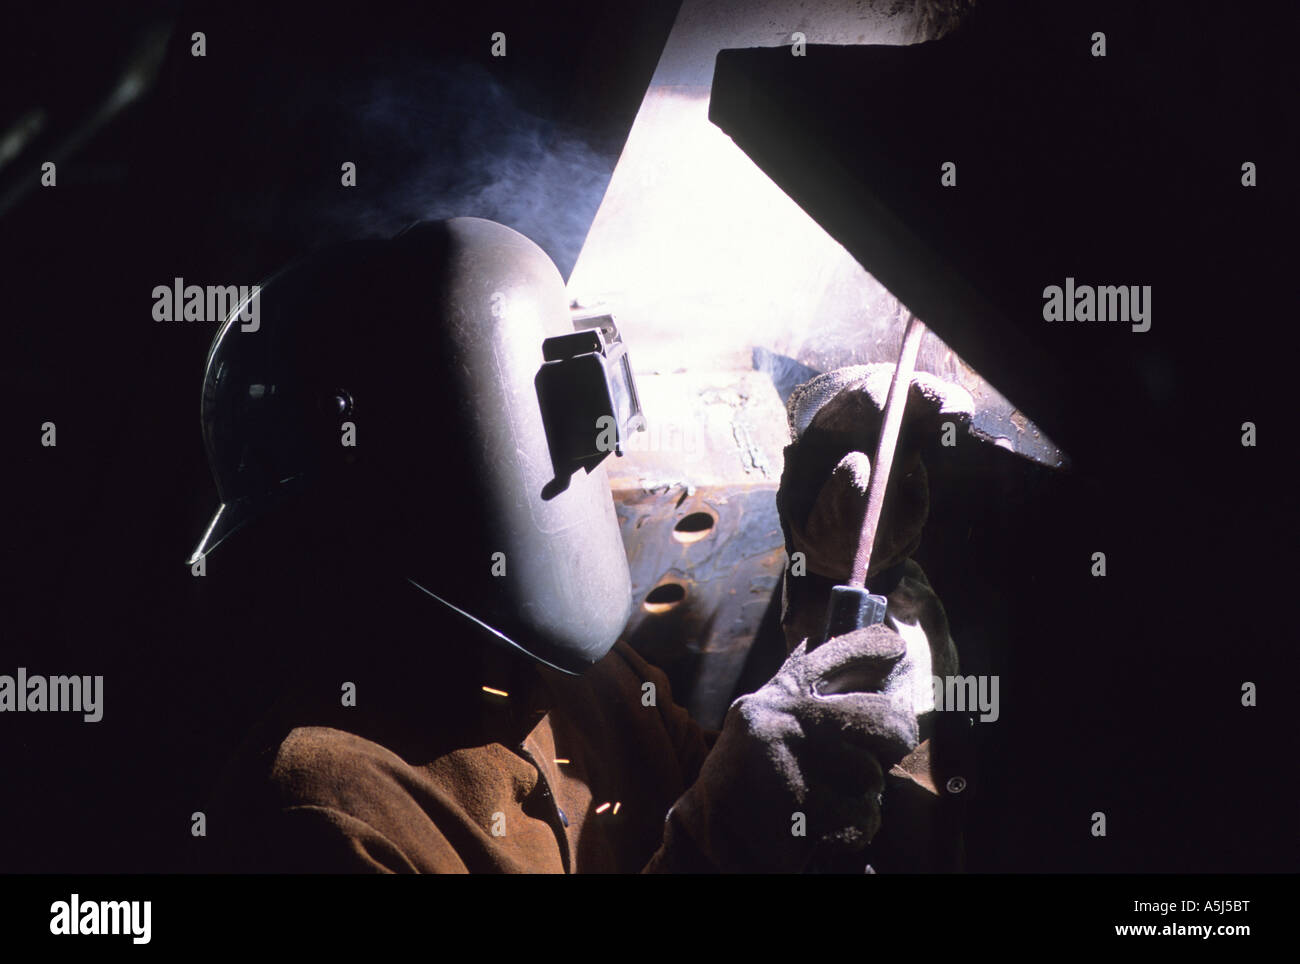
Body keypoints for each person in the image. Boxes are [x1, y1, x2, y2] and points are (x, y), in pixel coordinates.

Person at [198, 218, 971, 873]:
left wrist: (844, 589)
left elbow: (755, 801)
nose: (593, 456)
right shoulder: (322, 801)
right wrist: (728, 847)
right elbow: (726, 832)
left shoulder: (586, 681)